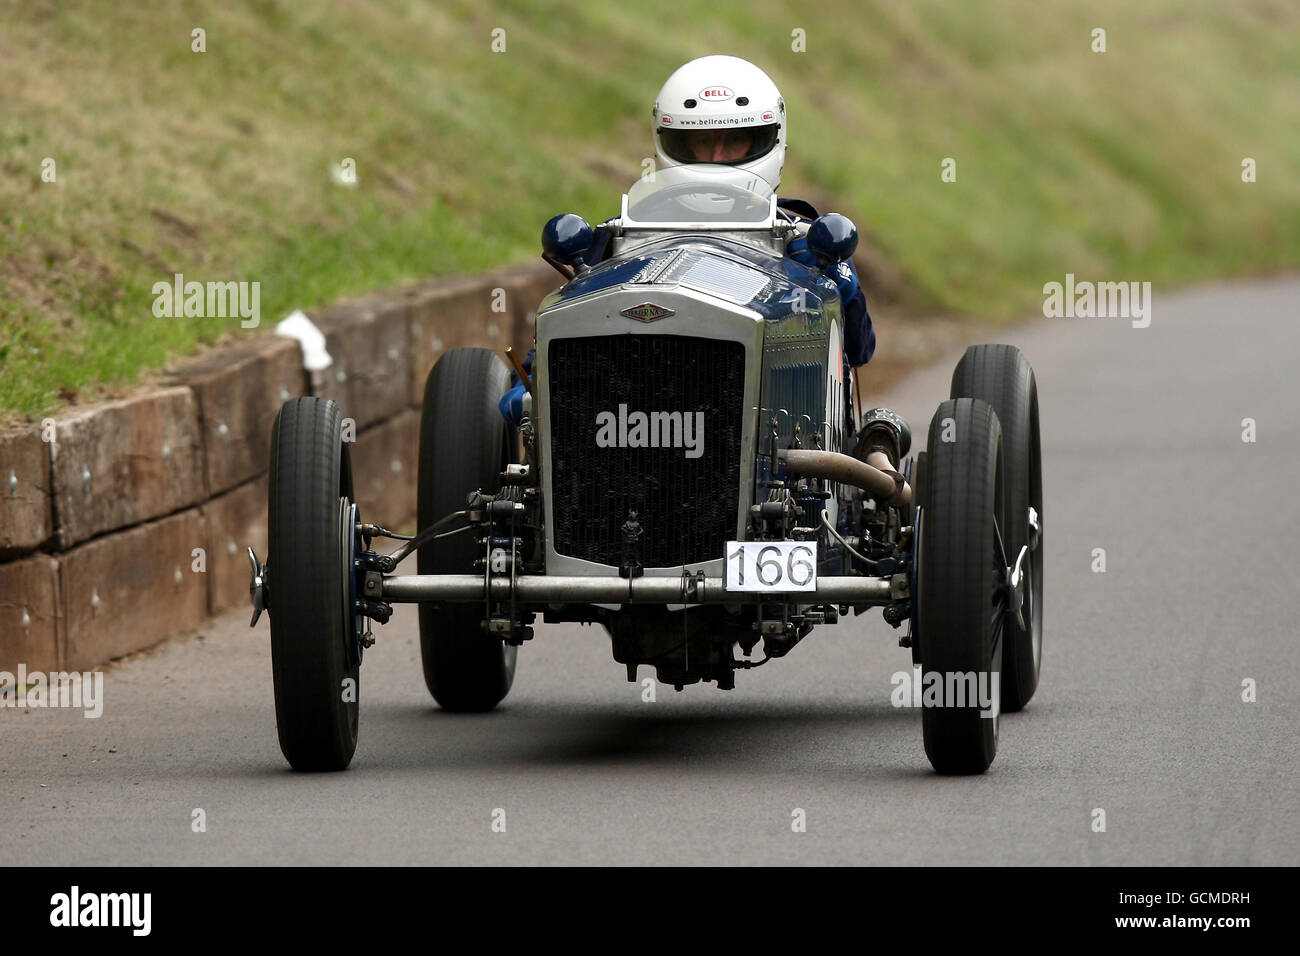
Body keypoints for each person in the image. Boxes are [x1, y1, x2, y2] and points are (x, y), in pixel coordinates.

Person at [500, 54, 875, 424]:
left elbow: (858, 350)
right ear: (673, 142)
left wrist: (840, 283)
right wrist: (531, 383)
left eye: (735, 142)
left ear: (766, 139)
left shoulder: (806, 238)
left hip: (774, 425)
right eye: (701, 142)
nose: (715, 157)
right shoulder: (619, 236)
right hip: (633, 417)